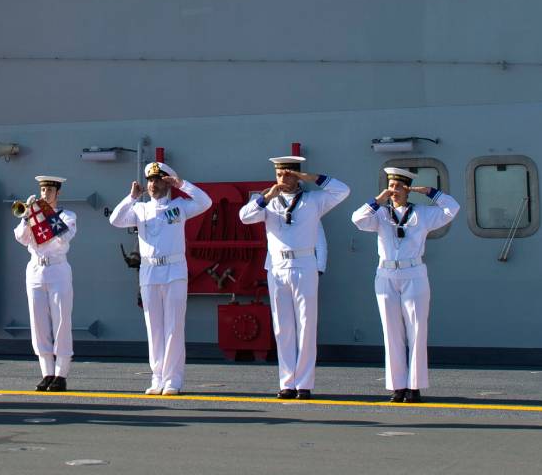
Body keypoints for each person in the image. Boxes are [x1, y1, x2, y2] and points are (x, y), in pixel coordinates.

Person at [239, 156, 352, 399]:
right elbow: (245, 217)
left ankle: (304, 384)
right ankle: (286, 383)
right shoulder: (266, 202)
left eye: (289, 174)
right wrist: (266, 197)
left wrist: (311, 178)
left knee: (306, 325)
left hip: (304, 264)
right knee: (283, 327)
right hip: (278, 266)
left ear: (298, 176)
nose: (283, 179)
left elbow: (342, 190)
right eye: (280, 174)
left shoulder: (313, 200)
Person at [351, 167, 461, 402]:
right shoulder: (379, 214)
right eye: (391, 186)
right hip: (386, 273)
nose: (394, 191)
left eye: (399, 187)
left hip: (414, 272)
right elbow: (357, 219)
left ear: (408, 190)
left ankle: (415, 386)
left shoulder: (422, 213)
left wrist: (429, 192)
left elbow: (452, 208)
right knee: (391, 332)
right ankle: (397, 386)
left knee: (417, 330)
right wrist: (378, 200)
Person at [109, 161, 213, 396]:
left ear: (167, 182)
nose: (153, 184)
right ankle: (157, 378)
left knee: (174, 327)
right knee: (154, 328)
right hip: (149, 272)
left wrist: (182, 185)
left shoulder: (179, 206)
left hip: (174, 270)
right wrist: (131, 197)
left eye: (158, 180)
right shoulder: (140, 209)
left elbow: (206, 202)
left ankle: (173, 380)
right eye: (150, 180)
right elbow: (115, 220)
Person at [14, 175, 78, 392]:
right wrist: (27, 216)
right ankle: (46, 372)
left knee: (61, 321)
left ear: (58, 193)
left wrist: (44, 212)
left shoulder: (67, 215)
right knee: (38, 322)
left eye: (49, 191)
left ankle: (61, 373)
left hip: (58, 268)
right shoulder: (33, 214)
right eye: (42, 191)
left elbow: (63, 235)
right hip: (35, 269)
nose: (45, 194)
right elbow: (21, 238)